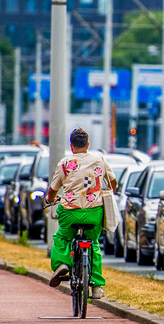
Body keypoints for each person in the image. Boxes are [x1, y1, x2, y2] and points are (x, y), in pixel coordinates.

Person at [44, 127, 117, 299]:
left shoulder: (64, 163)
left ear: (71, 146)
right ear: (88, 144)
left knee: (62, 237)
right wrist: (110, 192)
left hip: (70, 212)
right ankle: (97, 287)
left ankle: (62, 264)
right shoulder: (99, 159)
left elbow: (53, 190)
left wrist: (50, 199)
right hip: (94, 212)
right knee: (94, 244)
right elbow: (113, 182)